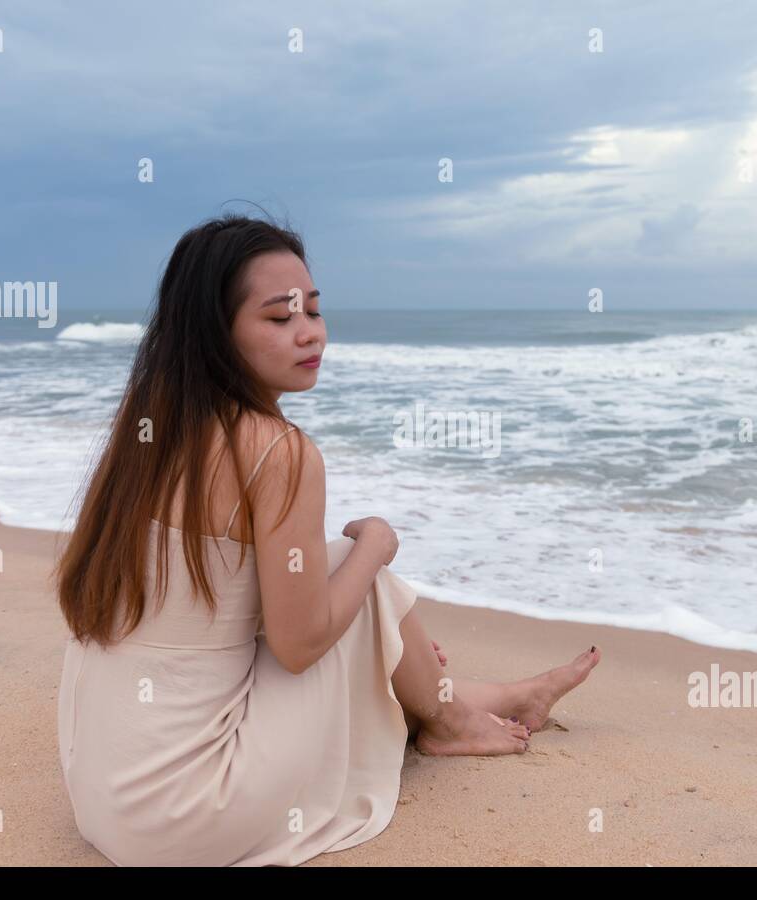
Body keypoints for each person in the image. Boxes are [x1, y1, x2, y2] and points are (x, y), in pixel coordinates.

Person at [52, 210, 600, 866]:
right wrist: (377, 546)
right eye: (279, 319)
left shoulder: (147, 422)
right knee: (357, 568)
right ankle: (449, 721)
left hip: (104, 793)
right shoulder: (278, 452)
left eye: (312, 310)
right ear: (214, 332)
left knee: (343, 578)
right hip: (189, 814)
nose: (310, 333)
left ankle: (479, 700)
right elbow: (299, 645)